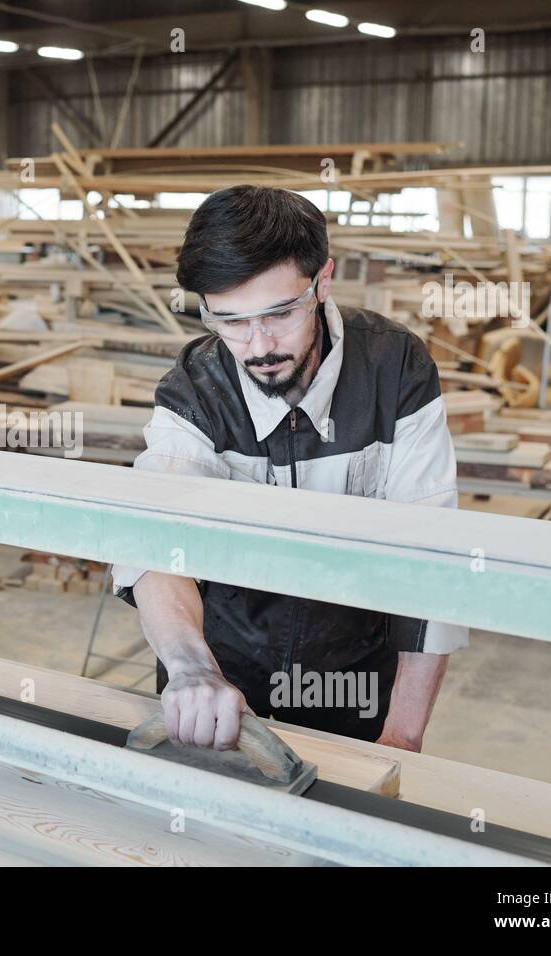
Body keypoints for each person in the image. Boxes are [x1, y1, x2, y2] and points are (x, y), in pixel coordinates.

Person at [112, 185, 467, 752]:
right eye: (229, 321)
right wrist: (190, 667)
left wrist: (401, 735)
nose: (258, 346)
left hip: (352, 677)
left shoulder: (395, 369)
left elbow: (431, 559)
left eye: (279, 312)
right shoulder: (195, 390)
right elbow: (157, 539)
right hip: (223, 675)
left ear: (322, 282)